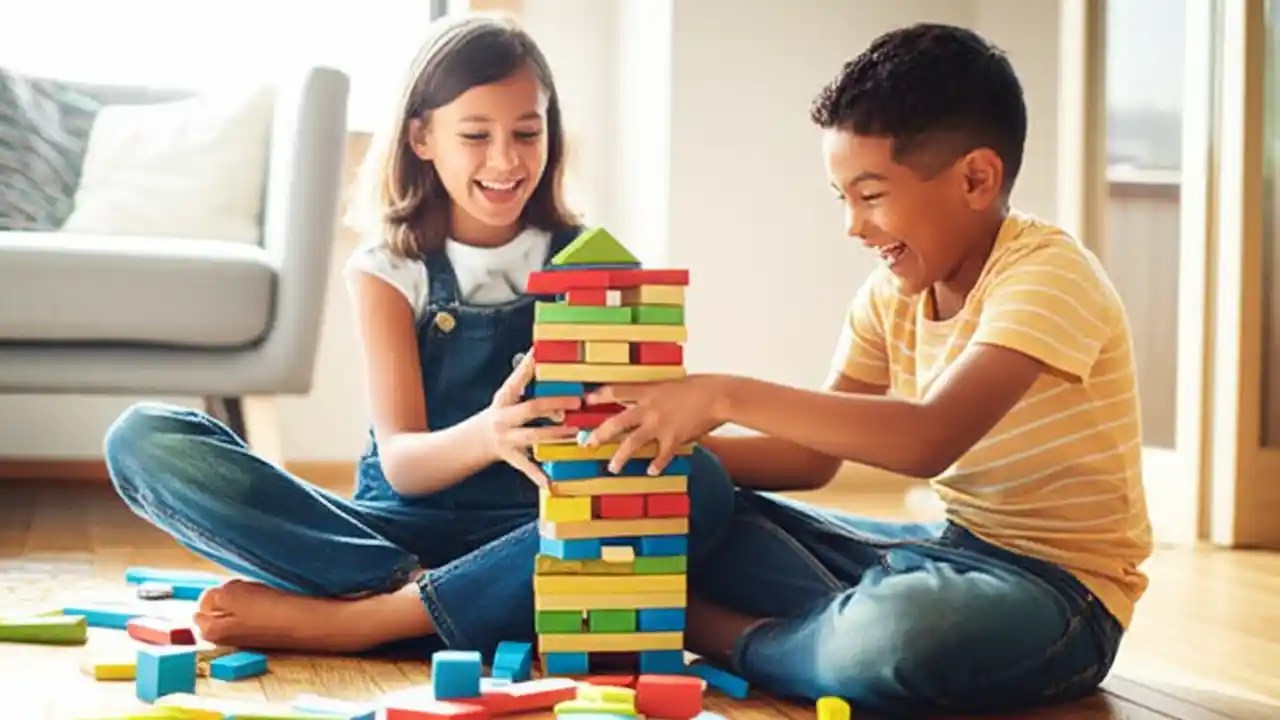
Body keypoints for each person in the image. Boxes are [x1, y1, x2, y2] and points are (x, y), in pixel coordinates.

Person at [103, 13, 733, 657]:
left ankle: (373, 623)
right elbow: (403, 464)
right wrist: (490, 435)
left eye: (526, 131)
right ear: (422, 138)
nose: (506, 159)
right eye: (475, 135)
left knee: (703, 483)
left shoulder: (594, 265)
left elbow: (632, 441)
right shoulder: (388, 269)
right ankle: (426, 598)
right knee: (144, 439)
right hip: (386, 536)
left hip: (537, 526)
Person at [583, 23, 1150, 717]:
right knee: (697, 497)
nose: (853, 224)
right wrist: (665, 447)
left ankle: (711, 629)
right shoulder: (893, 292)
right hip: (944, 552)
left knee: (899, 633)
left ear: (977, 178)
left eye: (872, 194)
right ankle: (786, 623)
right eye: (841, 197)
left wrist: (722, 393)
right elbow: (812, 460)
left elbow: (926, 439)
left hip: (1060, 597)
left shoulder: (1050, 277)